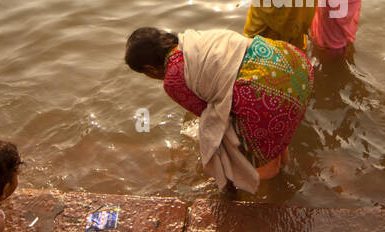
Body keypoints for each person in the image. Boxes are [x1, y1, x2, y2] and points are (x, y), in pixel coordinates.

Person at [125, 26, 313, 191]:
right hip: (294, 63)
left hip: (266, 93)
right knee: (277, 133)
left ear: (149, 69)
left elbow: (215, 118)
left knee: (256, 165)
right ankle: (286, 171)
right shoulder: (194, 40)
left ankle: (270, 195)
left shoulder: (173, 79)